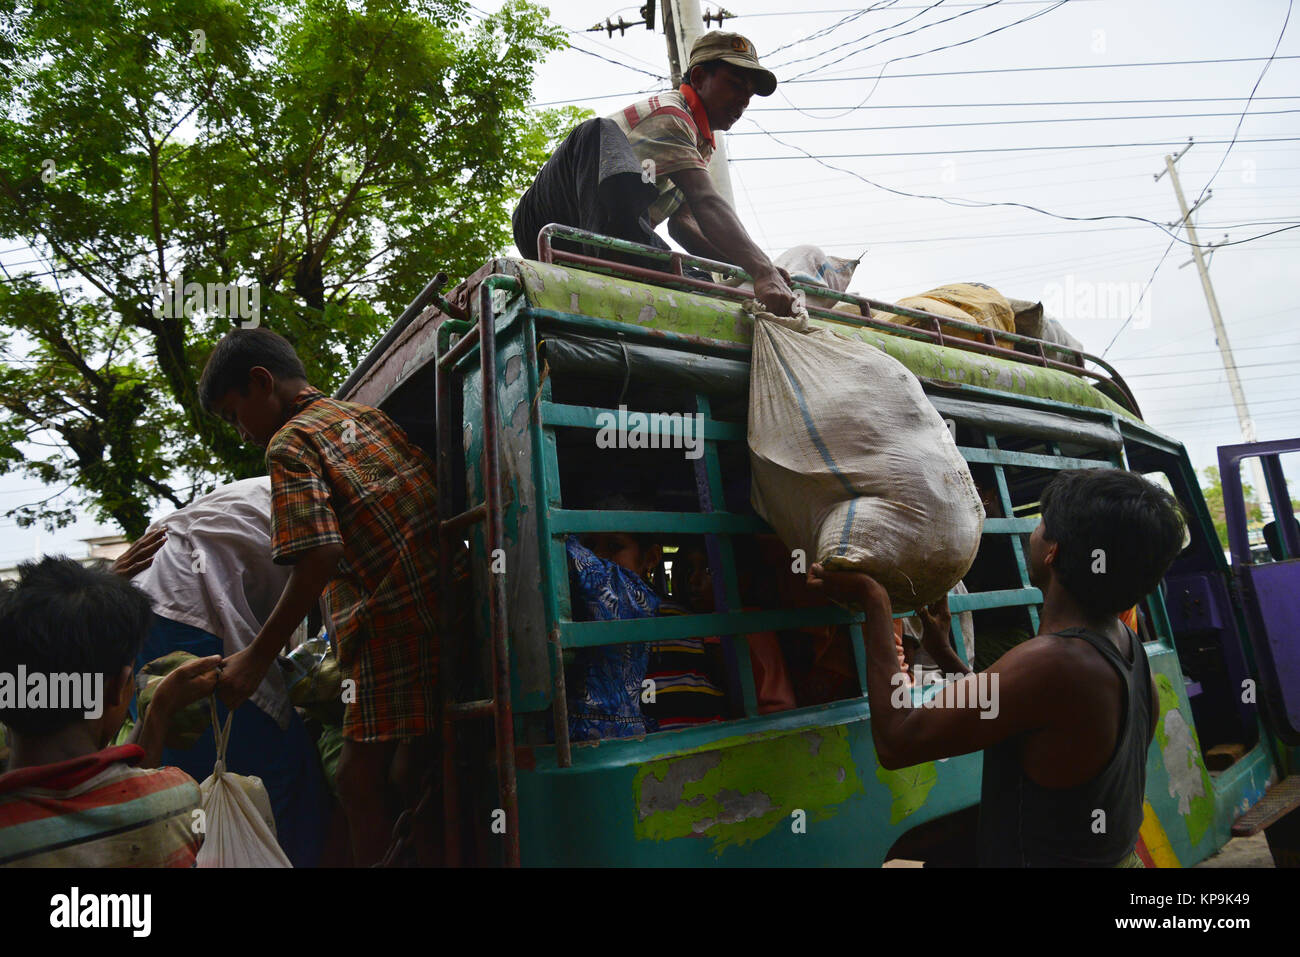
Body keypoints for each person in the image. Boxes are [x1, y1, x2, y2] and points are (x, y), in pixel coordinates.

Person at [808, 469, 1186, 867]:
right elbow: (1012, 711)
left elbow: (898, 740)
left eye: (1041, 524)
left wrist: (876, 604)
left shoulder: (1055, 662)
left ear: (1053, 550)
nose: (1033, 532)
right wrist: (943, 654)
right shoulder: (1124, 647)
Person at [197, 327, 445, 866]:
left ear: (261, 382)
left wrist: (254, 658)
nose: (241, 433)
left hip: (391, 623)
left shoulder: (289, 444)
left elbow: (319, 557)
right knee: (408, 771)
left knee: (357, 782)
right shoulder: (368, 418)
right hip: (444, 603)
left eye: (234, 414)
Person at [118, 477, 332, 868]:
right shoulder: (326, 497)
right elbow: (329, 586)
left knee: (190, 791)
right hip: (193, 615)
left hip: (142, 609)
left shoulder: (263, 487)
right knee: (274, 784)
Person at [511, 31, 797, 317]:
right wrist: (762, 268)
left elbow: (683, 225)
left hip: (617, 231)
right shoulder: (672, 115)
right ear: (698, 78)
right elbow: (705, 200)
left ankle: (625, 258)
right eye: (735, 86)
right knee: (596, 131)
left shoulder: (700, 145)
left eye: (748, 95)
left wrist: (748, 267)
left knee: (697, 279)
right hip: (544, 217)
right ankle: (613, 259)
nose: (743, 101)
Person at [0, 557, 220, 867]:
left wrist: (153, 714)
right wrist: (158, 712)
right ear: (118, 686)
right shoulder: (180, 797)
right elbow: (130, 791)